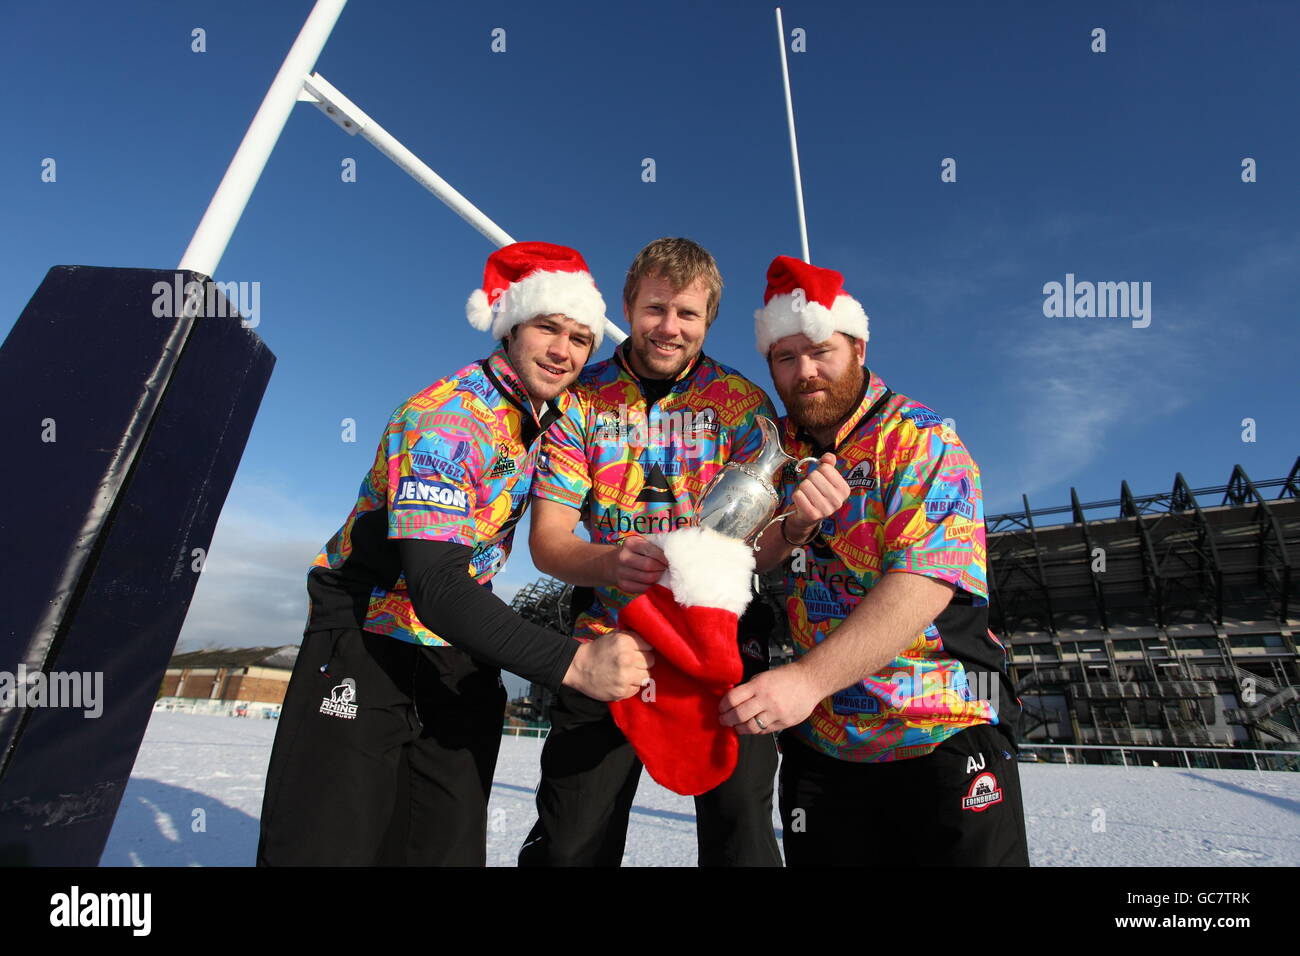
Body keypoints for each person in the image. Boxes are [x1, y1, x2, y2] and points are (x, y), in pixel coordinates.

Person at [257, 242, 654, 867]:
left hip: (455, 649)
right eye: (549, 328)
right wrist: (572, 666)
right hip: (373, 633)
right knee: (328, 843)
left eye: (581, 338)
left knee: (445, 845)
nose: (564, 351)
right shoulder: (448, 417)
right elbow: (435, 582)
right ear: (511, 326)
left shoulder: (549, 413)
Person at [719, 254, 1029, 867]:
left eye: (820, 352)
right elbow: (739, 557)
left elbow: (926, 581)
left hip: (942, 727)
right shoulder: (772, 447)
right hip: (822, 743)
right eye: (785, 357)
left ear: (858, 347)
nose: (804, 372)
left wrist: (806, 680)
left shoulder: (922, 437)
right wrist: (795, 525)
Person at [518, 237, 784, 867]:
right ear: (630, 305)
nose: (669, 328)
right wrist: (610, 562)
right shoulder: (580, 400)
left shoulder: (745, 408)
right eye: (655, 308)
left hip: (722, 653)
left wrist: (792, 534)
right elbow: (548, 543)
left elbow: (764, 550)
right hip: (607, 647)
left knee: (741, 842)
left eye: (687, 314)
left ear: (708, 320)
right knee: (570, 845)